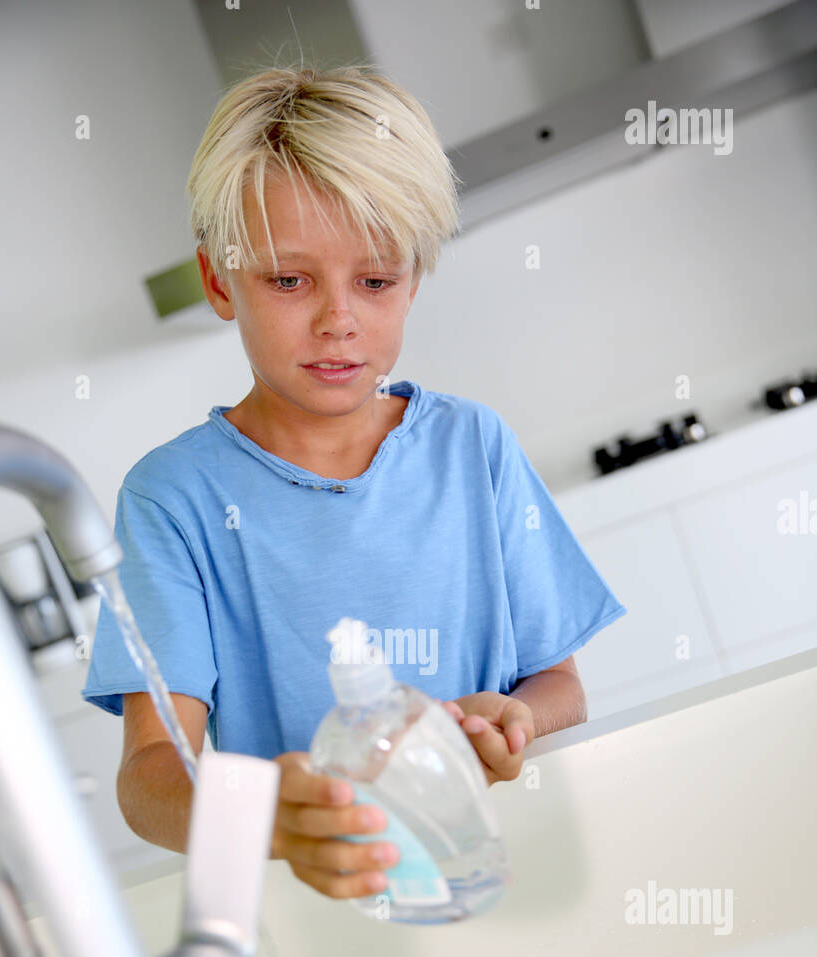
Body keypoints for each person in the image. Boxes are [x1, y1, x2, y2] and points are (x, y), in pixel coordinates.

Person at [82, 64, 626, 903]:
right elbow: (152, 776)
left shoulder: (471, 446)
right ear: (221, 282)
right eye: (289, 280)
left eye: (374, 282)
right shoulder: (172, 500)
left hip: (521, 862)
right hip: (320, 902)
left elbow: (559, 686)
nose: (339, 319)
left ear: (414, 278)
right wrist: (274, 822)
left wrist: (513, 718)